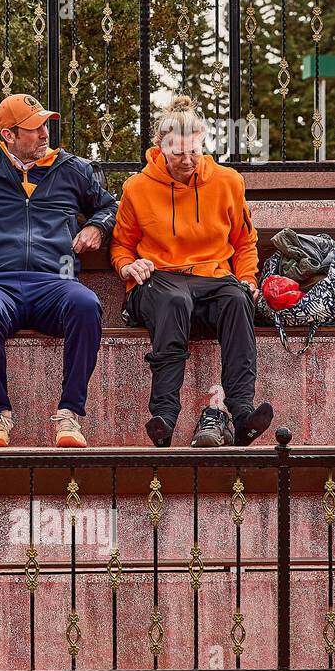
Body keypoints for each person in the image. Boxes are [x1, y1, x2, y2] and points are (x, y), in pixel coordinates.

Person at [110, 96, 273, 448]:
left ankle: (242, 413)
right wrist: (128, 265)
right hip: (160, 280)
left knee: (236, 299)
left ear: (203, 145)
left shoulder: (228, 182)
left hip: (212, 280)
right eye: (177, 153)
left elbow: (245, 242)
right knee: (173, 299)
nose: (187, 161)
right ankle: (165, 417)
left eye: (194, 152)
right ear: (160, 148)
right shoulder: (136, 189)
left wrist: (248, 280)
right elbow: (121, 245)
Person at [0, 93, 118, 448]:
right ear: (9, 135)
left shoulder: (72, 168)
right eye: (34, 128)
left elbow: (110, 206)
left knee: (87, 305)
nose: (45, 133)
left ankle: (69, 415)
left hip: (55, 281)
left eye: (45, 124)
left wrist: (96, 227)